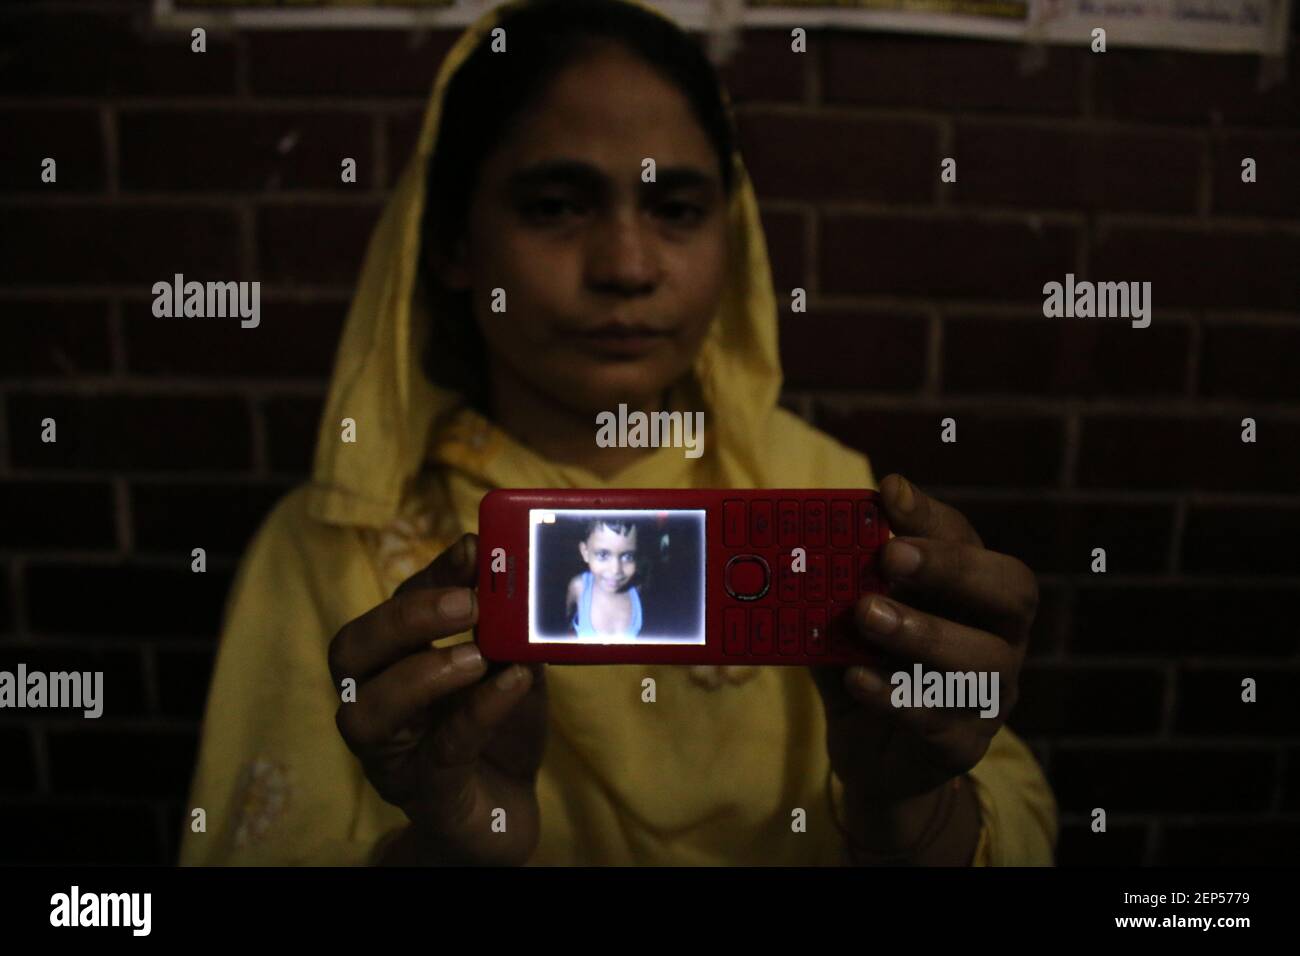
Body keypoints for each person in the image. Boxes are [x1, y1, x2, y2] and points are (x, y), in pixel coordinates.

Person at [179, 0, 1057, 866]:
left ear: (733, 234)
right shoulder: (338, 545)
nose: (629, 268)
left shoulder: (823, 499)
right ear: (451, 243)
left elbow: (1015, 823)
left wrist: (903, 807)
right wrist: (452, 847)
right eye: (557, 206)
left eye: (676, 209)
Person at [566, 518, 645, 640]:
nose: (615, 570)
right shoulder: (579, 587)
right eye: (603, 555)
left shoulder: (639, 590)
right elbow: (564, 621)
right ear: (585, 552)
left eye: (628, 556)